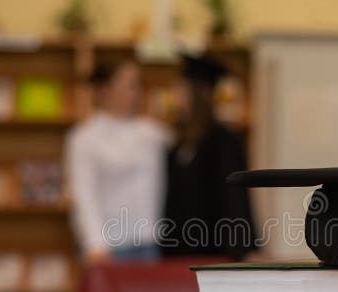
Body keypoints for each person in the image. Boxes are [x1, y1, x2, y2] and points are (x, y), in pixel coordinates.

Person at [66, 60, 171, 263]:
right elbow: (83, 193)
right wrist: (94, 244)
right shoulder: (85, 137)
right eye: (129, 84)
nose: (136, 91)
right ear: (104, 90)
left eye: (138, 85)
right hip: (110, 248)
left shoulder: (153, 133)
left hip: (151, 243)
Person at [163, 54, 255, 259]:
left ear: (199, 93)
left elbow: (235, 200)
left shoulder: (223, 141)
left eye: (181, 89)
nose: (176, 96)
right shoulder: (177, 143)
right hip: (178, 249)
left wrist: (244, 249)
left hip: (214, 250)